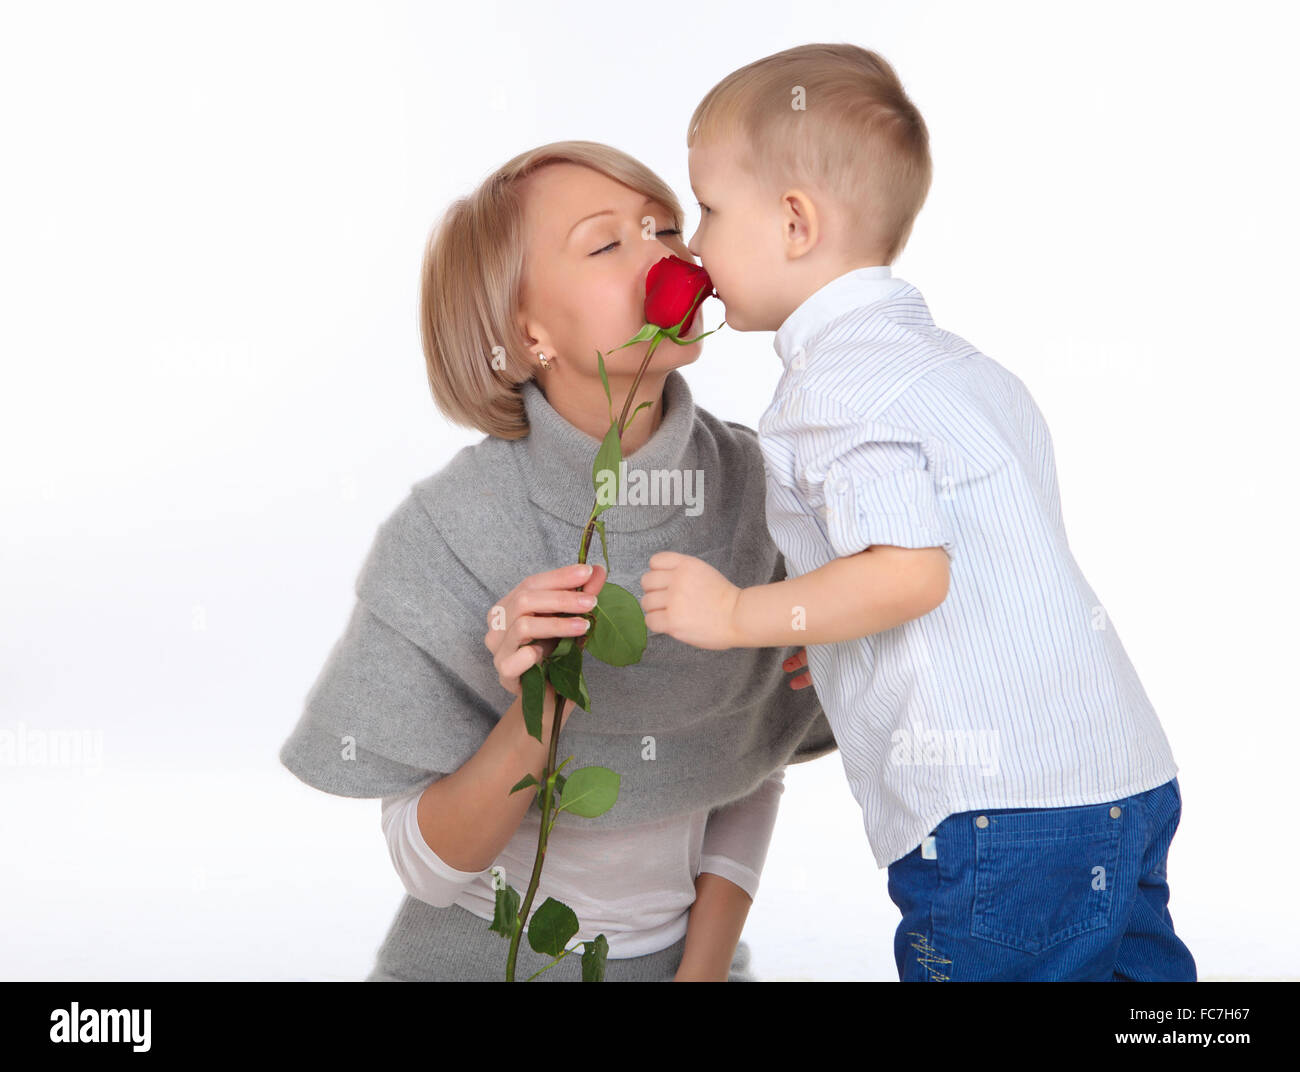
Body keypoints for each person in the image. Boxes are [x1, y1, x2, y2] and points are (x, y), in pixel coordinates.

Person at [639, 42, 1195, 981]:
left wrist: (740, 615)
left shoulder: (836, 389)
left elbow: (908, 573)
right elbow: (978, 571)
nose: (692, 244)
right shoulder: (962, 371)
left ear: (795, 221)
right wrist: (837, 635)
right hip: (1117, 776)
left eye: (708, 210)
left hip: (996, 812)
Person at [278, 139, 836, 982]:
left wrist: (703, 970)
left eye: (666, 228)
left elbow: (748, 762)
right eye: (608, 243)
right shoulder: (444, 535)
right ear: (526, 330)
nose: (661, 253)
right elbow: (425, 867)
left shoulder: (763, 490)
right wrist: (536, 709)